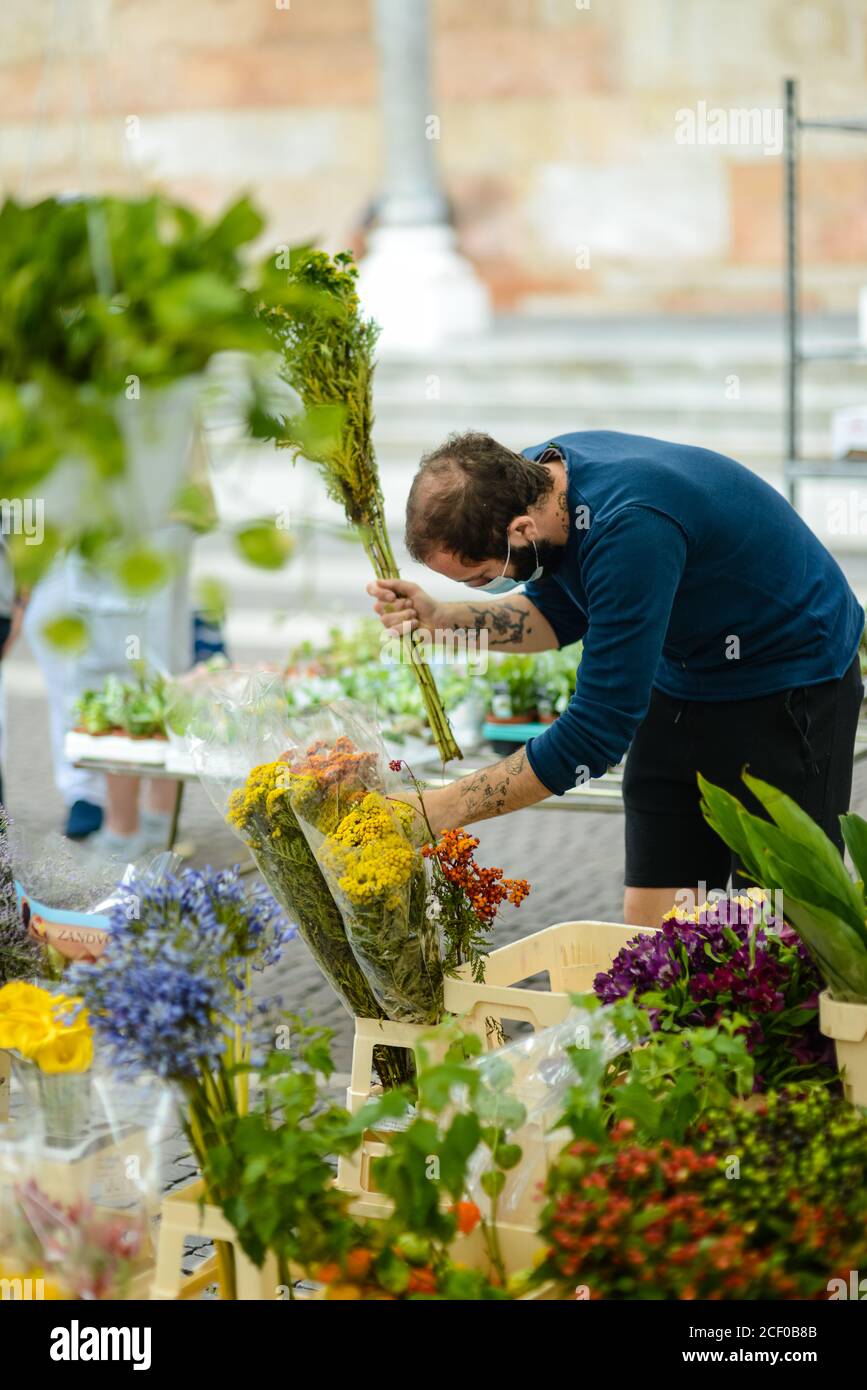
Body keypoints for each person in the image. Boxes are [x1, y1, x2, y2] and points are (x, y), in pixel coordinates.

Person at [368, 430, 865, 927]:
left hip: (790, 678)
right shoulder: (530, 486)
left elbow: (594, 734)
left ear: (521, 530)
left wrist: (441, 808)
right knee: (659, 927)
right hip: (680, 676)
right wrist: (443, 619)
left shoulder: (630, 527)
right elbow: (560, 614)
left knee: (776, 926)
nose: (482, 586)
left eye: (478, 578)